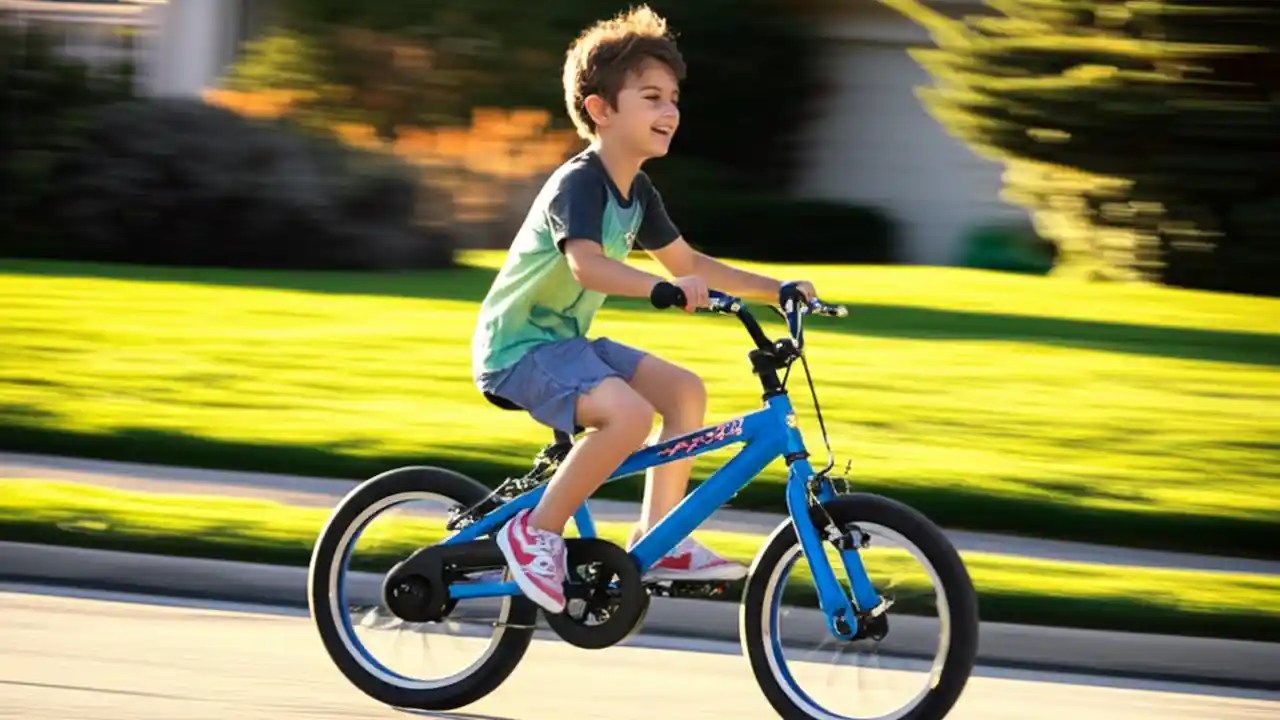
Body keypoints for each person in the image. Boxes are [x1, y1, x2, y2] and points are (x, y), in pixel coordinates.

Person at [471, 4, 817, 614]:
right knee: (627, 416)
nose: (670, 111)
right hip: (518, 351)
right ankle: (534, 532)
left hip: (566, 346)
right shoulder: (578, 182)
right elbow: (587, 265)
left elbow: (691, 264)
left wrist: (778, 287)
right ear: (601, 110)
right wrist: (660, 290)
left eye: (674, 98)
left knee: (684, 392)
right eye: (652, 97)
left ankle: (659, 540)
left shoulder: (637, 193)